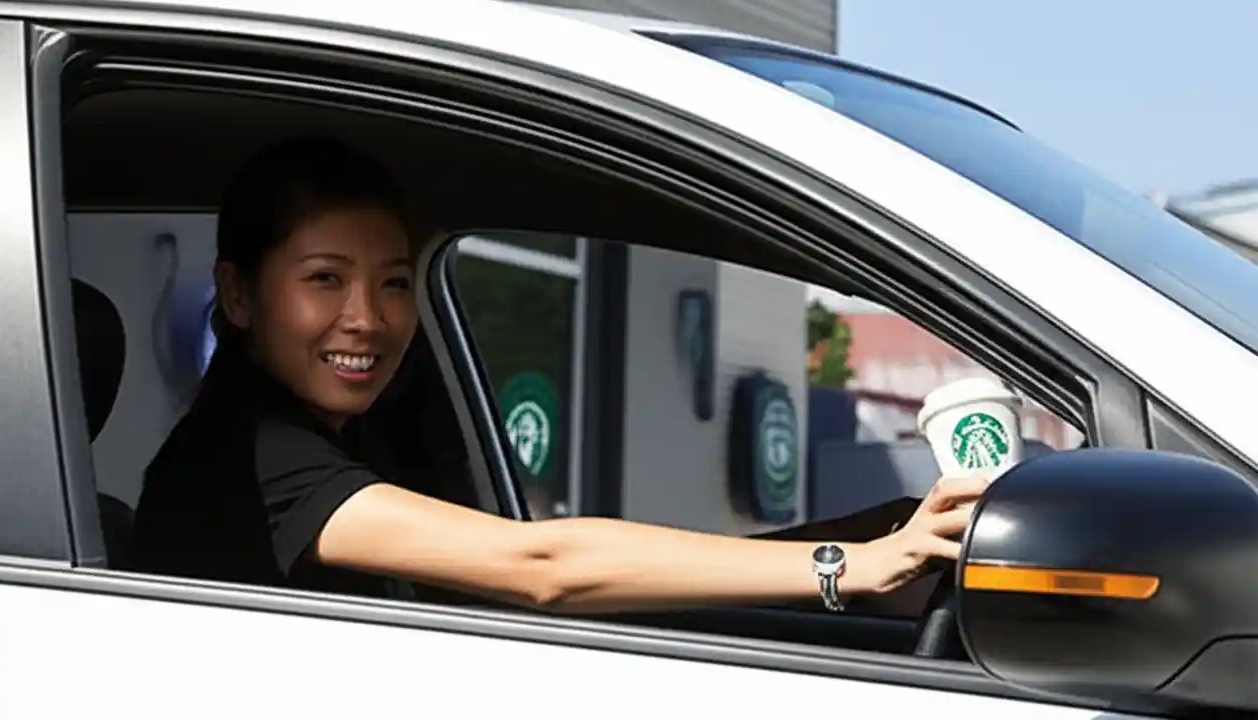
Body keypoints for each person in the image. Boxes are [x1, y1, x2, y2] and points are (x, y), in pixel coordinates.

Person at [131, 136, 988, 614]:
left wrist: (876, 534)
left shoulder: (353, 437)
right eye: (325, 279)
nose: (367, 318)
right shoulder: (246, 457)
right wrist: (851, 564)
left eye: (394, 283)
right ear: (238, 294)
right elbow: (539, 562)